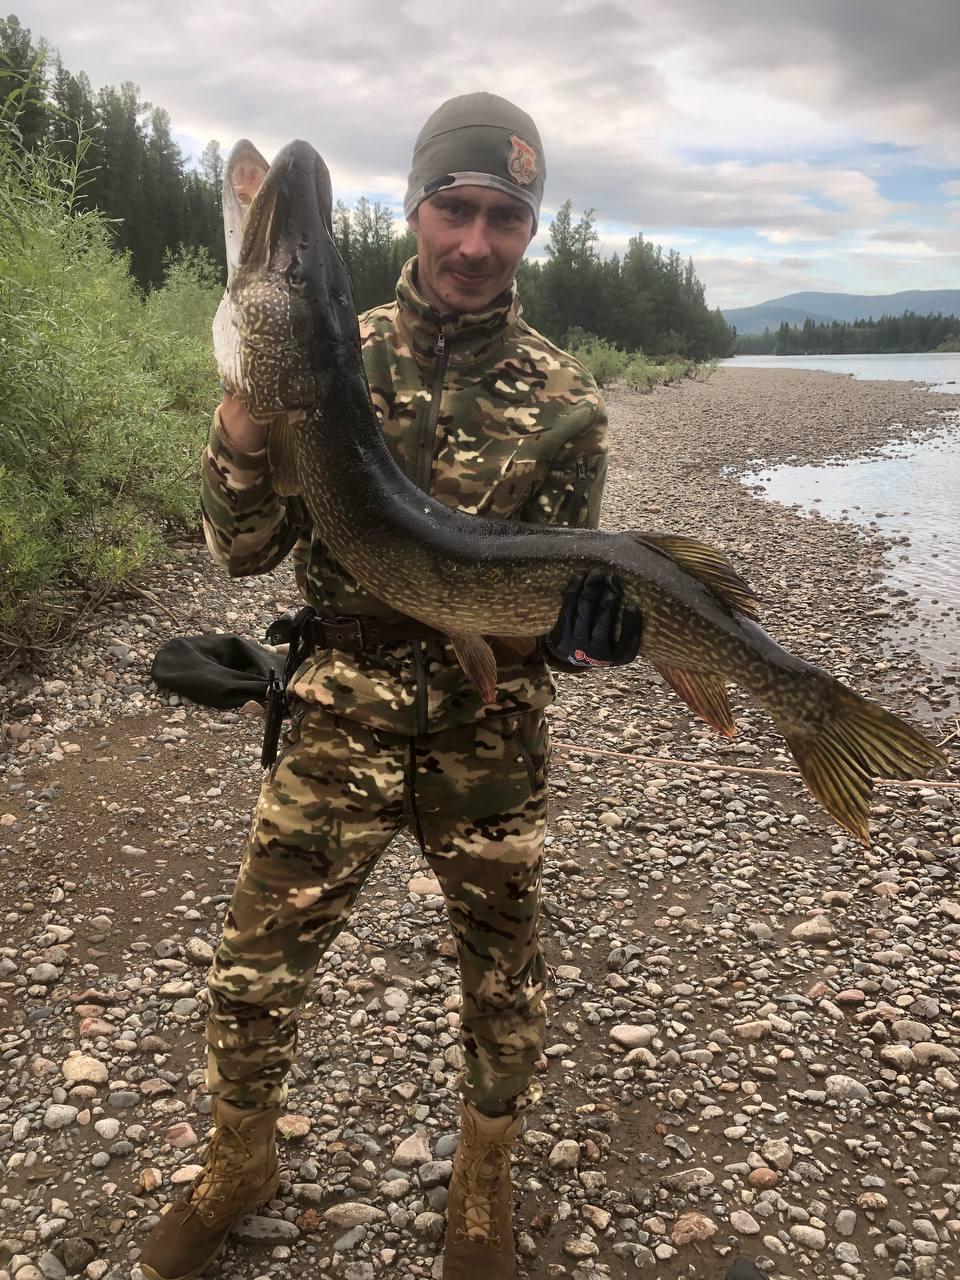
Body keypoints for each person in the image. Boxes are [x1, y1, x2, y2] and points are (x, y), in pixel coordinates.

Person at [138, 92, 641, 1280]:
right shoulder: (332, 349)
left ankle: (481, 1185)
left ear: (529, 230)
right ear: (415, 209)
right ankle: (239, 1161)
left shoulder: (570, 399)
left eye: (502, 218)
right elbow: (240, 550)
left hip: (491, 731)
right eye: (452, 208)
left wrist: (586, 638)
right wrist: (245, 417)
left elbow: (554, 609)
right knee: (252, 966)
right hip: (338, 708)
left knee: (503, 970)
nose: (474, 241)